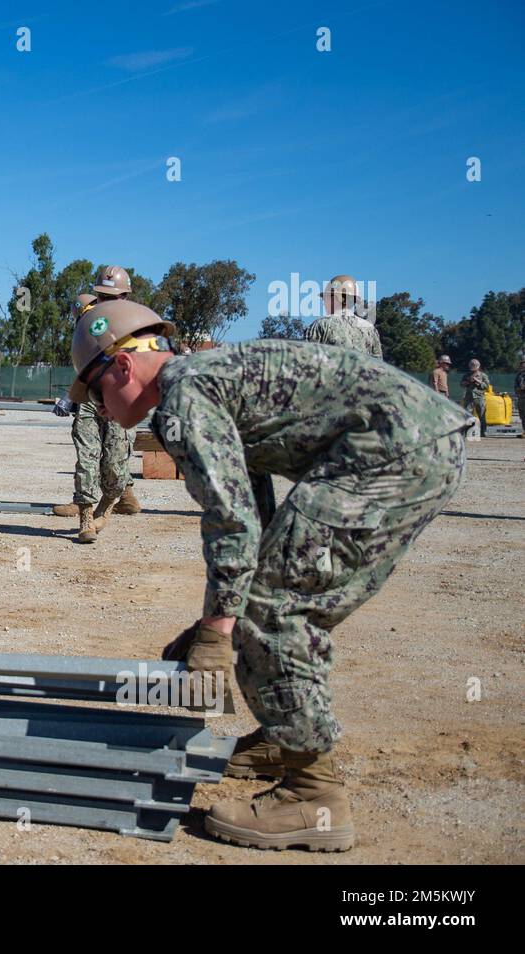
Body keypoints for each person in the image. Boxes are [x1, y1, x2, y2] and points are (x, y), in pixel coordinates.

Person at [69, 298, 472, 851]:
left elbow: (229, 521)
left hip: (391, 453)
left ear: (121, 367)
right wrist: (215, 619)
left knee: (275, 610)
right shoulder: (206, 381)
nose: (97, 406)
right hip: (409, 442)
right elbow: (252, 515)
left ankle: (313, 795)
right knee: (266, 596)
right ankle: (286, 738)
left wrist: (219, 630)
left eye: (93, 392)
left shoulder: (184, 398)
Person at [51, 265, 139, 542]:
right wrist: (71, 395)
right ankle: (86, 518)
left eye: (113, 297)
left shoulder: (137, 326)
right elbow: (84, 363)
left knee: (115, 465)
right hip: (90, 399)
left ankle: (110, 503)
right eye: (102, 296)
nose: (106, 302)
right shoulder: (90, 324)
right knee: (87, 459)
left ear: (125, 297)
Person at [304, 275, 383, 358]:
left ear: (335, 298)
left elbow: (305, 361)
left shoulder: (320, 325)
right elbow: (379, 367)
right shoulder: (370, 329)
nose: (323, 303)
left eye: (325, 298)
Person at [461, 359, 491, 433]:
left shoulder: (483, 375)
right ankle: (469, 431)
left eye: (474, 366)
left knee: (481, 415)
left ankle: (483, 431)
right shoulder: (466, 375)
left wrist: (478, 382)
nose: (473, 368)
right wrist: (467, 382)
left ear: (478, 366)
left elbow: (487, 386)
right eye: (471, 366)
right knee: (468, 415)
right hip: (469, 397)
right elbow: (461, 384)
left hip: (479, 397)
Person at [515, 358, 525, 437]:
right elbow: (516, 386)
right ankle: (524, 431)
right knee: (522, 416)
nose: (522, 366)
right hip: (520, 398)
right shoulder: (519, 375)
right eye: (521, 365)